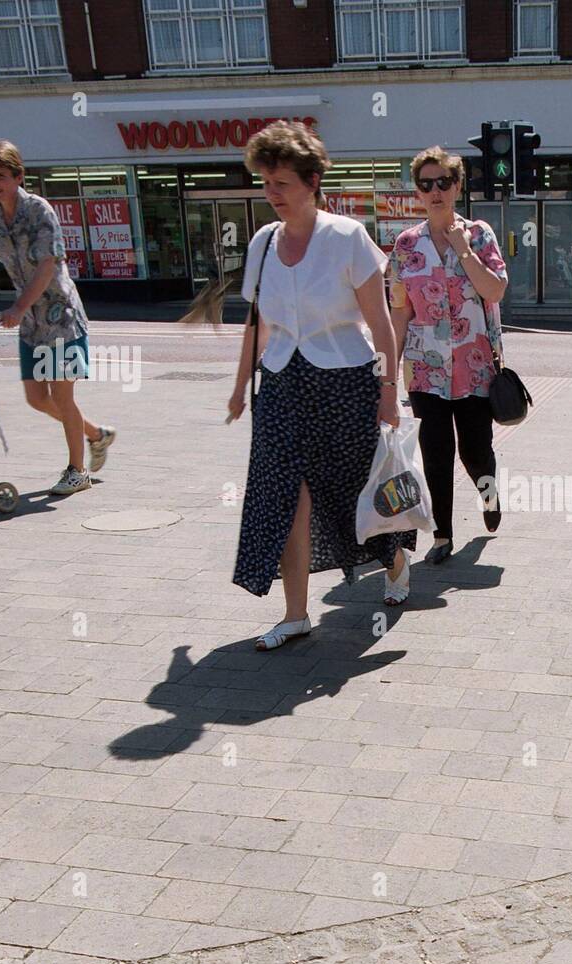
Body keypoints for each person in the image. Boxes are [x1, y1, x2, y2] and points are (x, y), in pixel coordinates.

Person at [226, 121, 413, 650]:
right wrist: (241, 386)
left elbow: (380, 326)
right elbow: (257, 322)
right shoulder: (263, 243)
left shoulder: (345, 237)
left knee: (356, 490)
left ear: (311, 182)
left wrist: (388, 392)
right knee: (286, 497)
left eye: (281, 182)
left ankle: (394, 558)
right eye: (265, 182)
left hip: (346, 383)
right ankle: (295, 614)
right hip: (283, 384)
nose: (272, 193)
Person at [0, 140, 114, 495]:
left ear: (19, 176)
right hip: (31, 322)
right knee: (36, 399)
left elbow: (48, 267)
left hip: (60, 315)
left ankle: (76, 471)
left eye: (1, 175)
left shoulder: (39, 211)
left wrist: (18, 308)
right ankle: (96, 434)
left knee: (62, 396)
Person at [387, 146, 508, 565]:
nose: (435, 191)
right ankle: (442, 535)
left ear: (457, 186)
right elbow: (399, 315)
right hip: (425, 371)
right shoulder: (405, 246)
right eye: (426, 184)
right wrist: (386, 376)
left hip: (475, 369)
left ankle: (488, 494)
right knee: (436, 453)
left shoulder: (479, 234)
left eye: (443, 182)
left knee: (475, 451)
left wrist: (463, 250)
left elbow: (494, 290)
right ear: (418, 192)